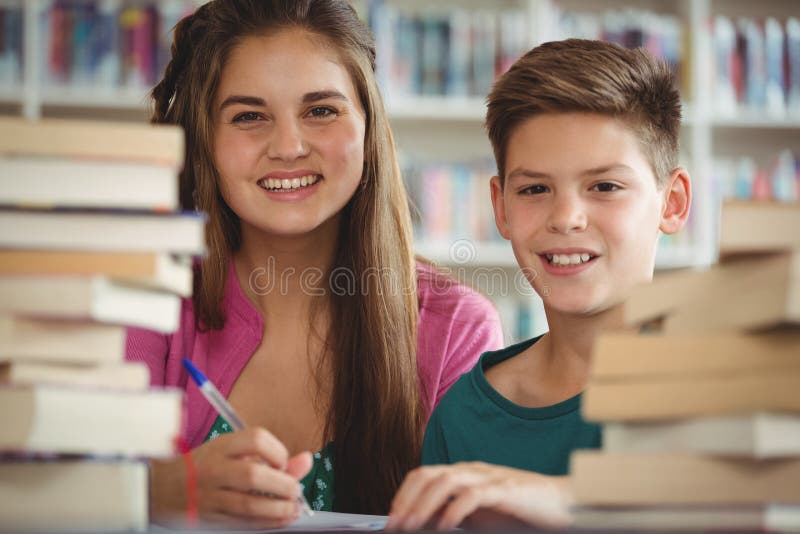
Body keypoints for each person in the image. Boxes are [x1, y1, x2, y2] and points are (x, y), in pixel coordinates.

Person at [126, 0, 502, 527]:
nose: (288, 146)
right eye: (249, 116)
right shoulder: (143, 304)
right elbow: (43, 493)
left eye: (321, 110)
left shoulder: (458, 327)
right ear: (205, 142)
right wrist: (152, 490)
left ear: (368, 127)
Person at [387, 38, 692, 531]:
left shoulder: (732, 380)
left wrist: (572, 499)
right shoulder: (462, 417)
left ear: (672, 202)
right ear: (501, 208)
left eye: (605, 186)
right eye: (534, 189)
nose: (566, 218)